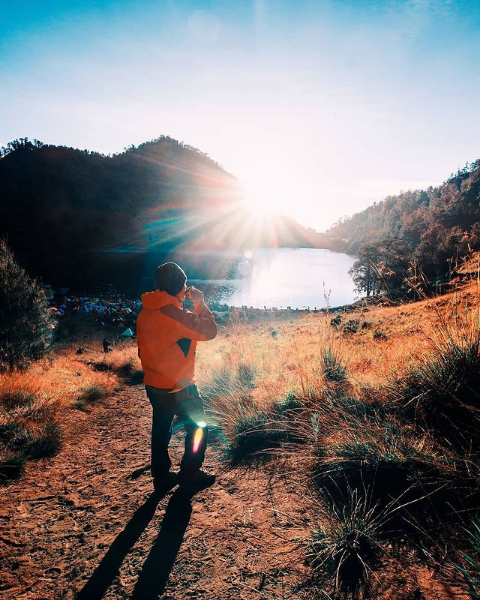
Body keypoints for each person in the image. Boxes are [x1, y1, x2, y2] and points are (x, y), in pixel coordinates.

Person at [136, 262, 217, 492]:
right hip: (178, 387)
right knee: (198, 425)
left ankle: (161, 477)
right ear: (181, 287)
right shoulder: (174, 314)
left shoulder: (146, 310)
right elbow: (208, 331)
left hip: (153, 383)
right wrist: (199, 302)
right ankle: (190, 471)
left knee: (161, 431)